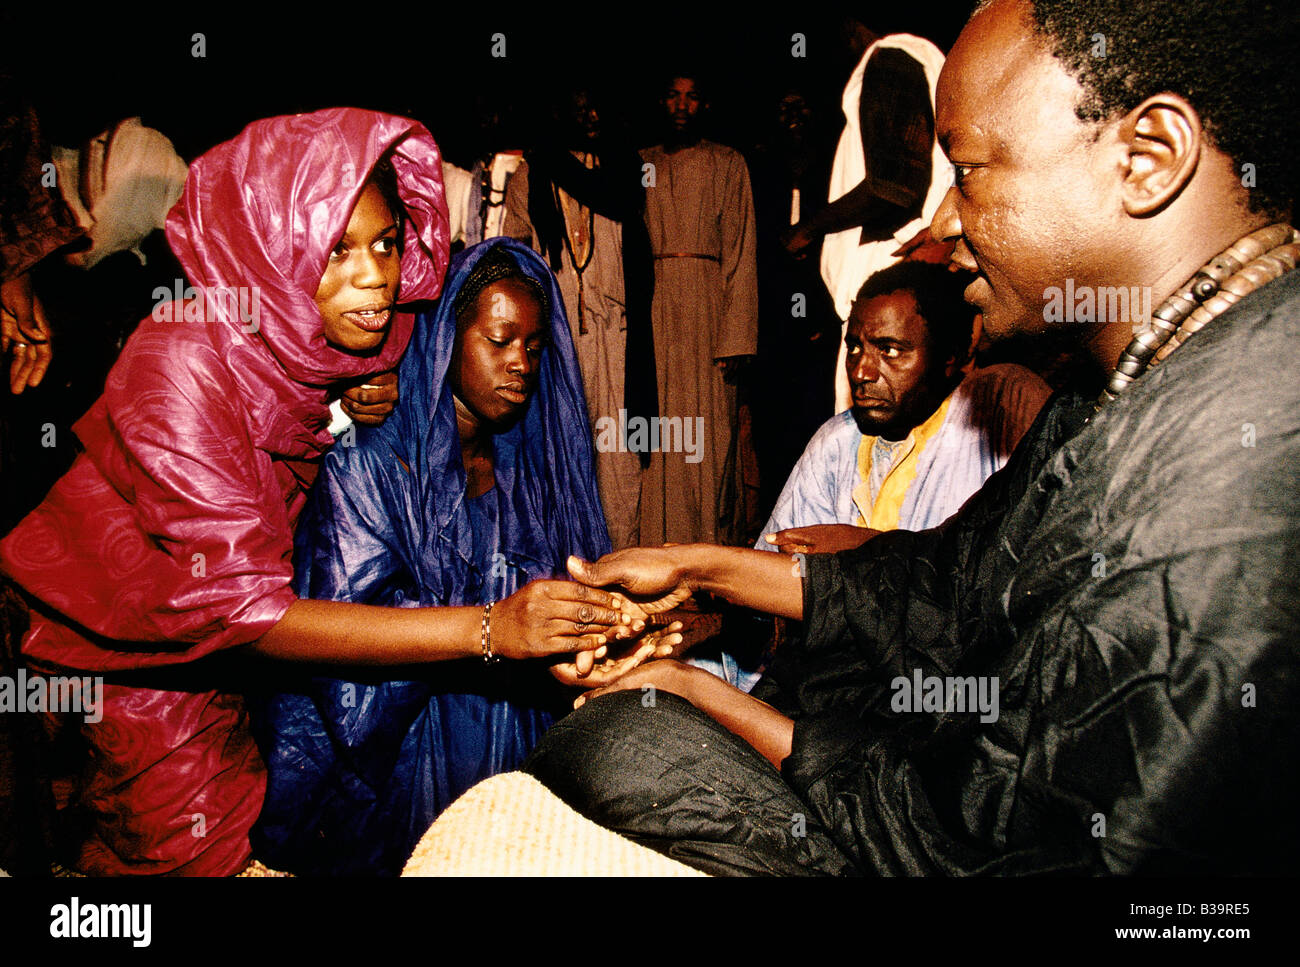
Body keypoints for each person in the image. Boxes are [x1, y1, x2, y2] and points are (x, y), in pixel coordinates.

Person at [523, 0, 1300, 875]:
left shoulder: (1224, 485)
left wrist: (696, 692)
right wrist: (701, 568)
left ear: (1147, 159)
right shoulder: (1119, 386)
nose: (941, 226)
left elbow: (970, 837)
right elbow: (948, 583)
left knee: (620, 746)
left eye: (966, 172)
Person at [0, 109, 640, 876]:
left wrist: (340, 402)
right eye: (335, 249)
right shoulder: (178, 365)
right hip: (136, 662)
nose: (374, 275)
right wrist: (490, 629)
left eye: (386, 243)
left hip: (230, 653)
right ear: (273, 245)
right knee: (198, 848)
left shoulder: (329, 336)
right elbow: (251, 617)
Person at [252, 238, 664, 876]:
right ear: (446, 339)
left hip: (519, 743)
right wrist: (492, 631)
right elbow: (341, 644)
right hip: (406, 764)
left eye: (533, 346)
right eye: (498, 341)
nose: (520, 364)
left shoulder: (531, 468)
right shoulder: (370, 465)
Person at [693, 259, 1049, 693]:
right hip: (845, 690)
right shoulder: (837, 441)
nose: (862, 371)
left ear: (953, 357)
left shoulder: (1000, 404)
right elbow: (765, 598)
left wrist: (869, 551)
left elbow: (1022, 587)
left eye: (891, 350)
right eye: (855, 347)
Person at [504, 88, 655, 549]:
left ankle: (621, 569)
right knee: (559, 456)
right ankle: (567, 570)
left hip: (617, 337)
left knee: (619, 459)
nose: (589, 115)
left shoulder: (623, 170)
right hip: (555, 342)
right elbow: (516, 257)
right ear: (559, 111)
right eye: (579, 105)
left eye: (597, 105)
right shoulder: (530, 175)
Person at [784, 20, 950, 413]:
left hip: (886, 285)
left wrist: (806, 230)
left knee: (872, 438)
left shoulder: (890, 57)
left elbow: (893, 186)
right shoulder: (923, 60)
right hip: (896, 290)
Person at [639, 71, 759, 545]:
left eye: (692, 97)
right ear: (660, 102)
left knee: (708, 435)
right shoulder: (642, 164)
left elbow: (742, 250)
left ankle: (706, 548)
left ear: (704, 105)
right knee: (656, 433)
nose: (682, 106)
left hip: (708, 309)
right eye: (672, 95)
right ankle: (653, 546)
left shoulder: (727, 163)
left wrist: (736, 336)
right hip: (651, 307)